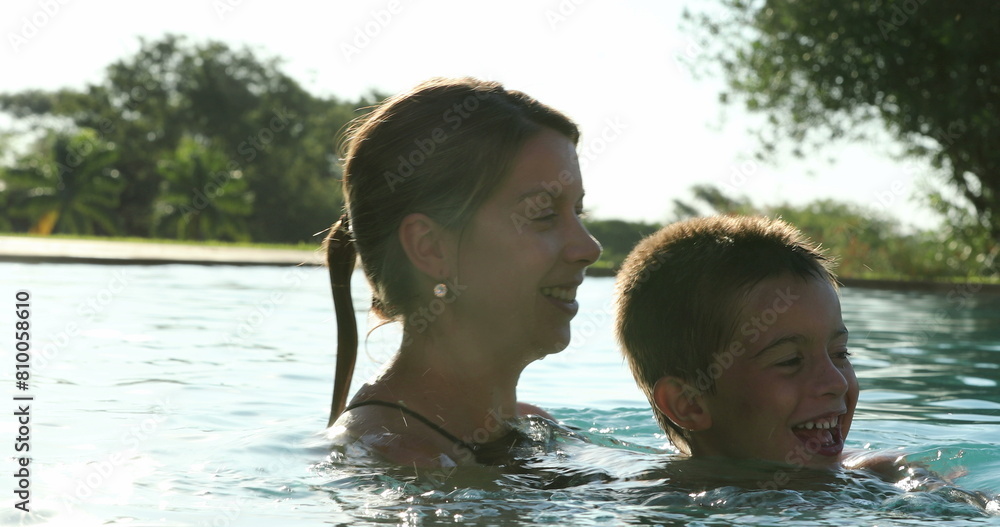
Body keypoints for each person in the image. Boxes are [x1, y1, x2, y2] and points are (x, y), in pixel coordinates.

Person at [323, 77, 602, 468]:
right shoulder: (403, 462)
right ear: (430, 248)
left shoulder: (535, 428)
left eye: (578, 212)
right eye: (543, 214)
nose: (589, 249)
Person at [614, 215, 860, 470]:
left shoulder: (882, 476)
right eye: (790, 361)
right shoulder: (663, 503)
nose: (837, 382)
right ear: (689, 403)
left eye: (840, 354)